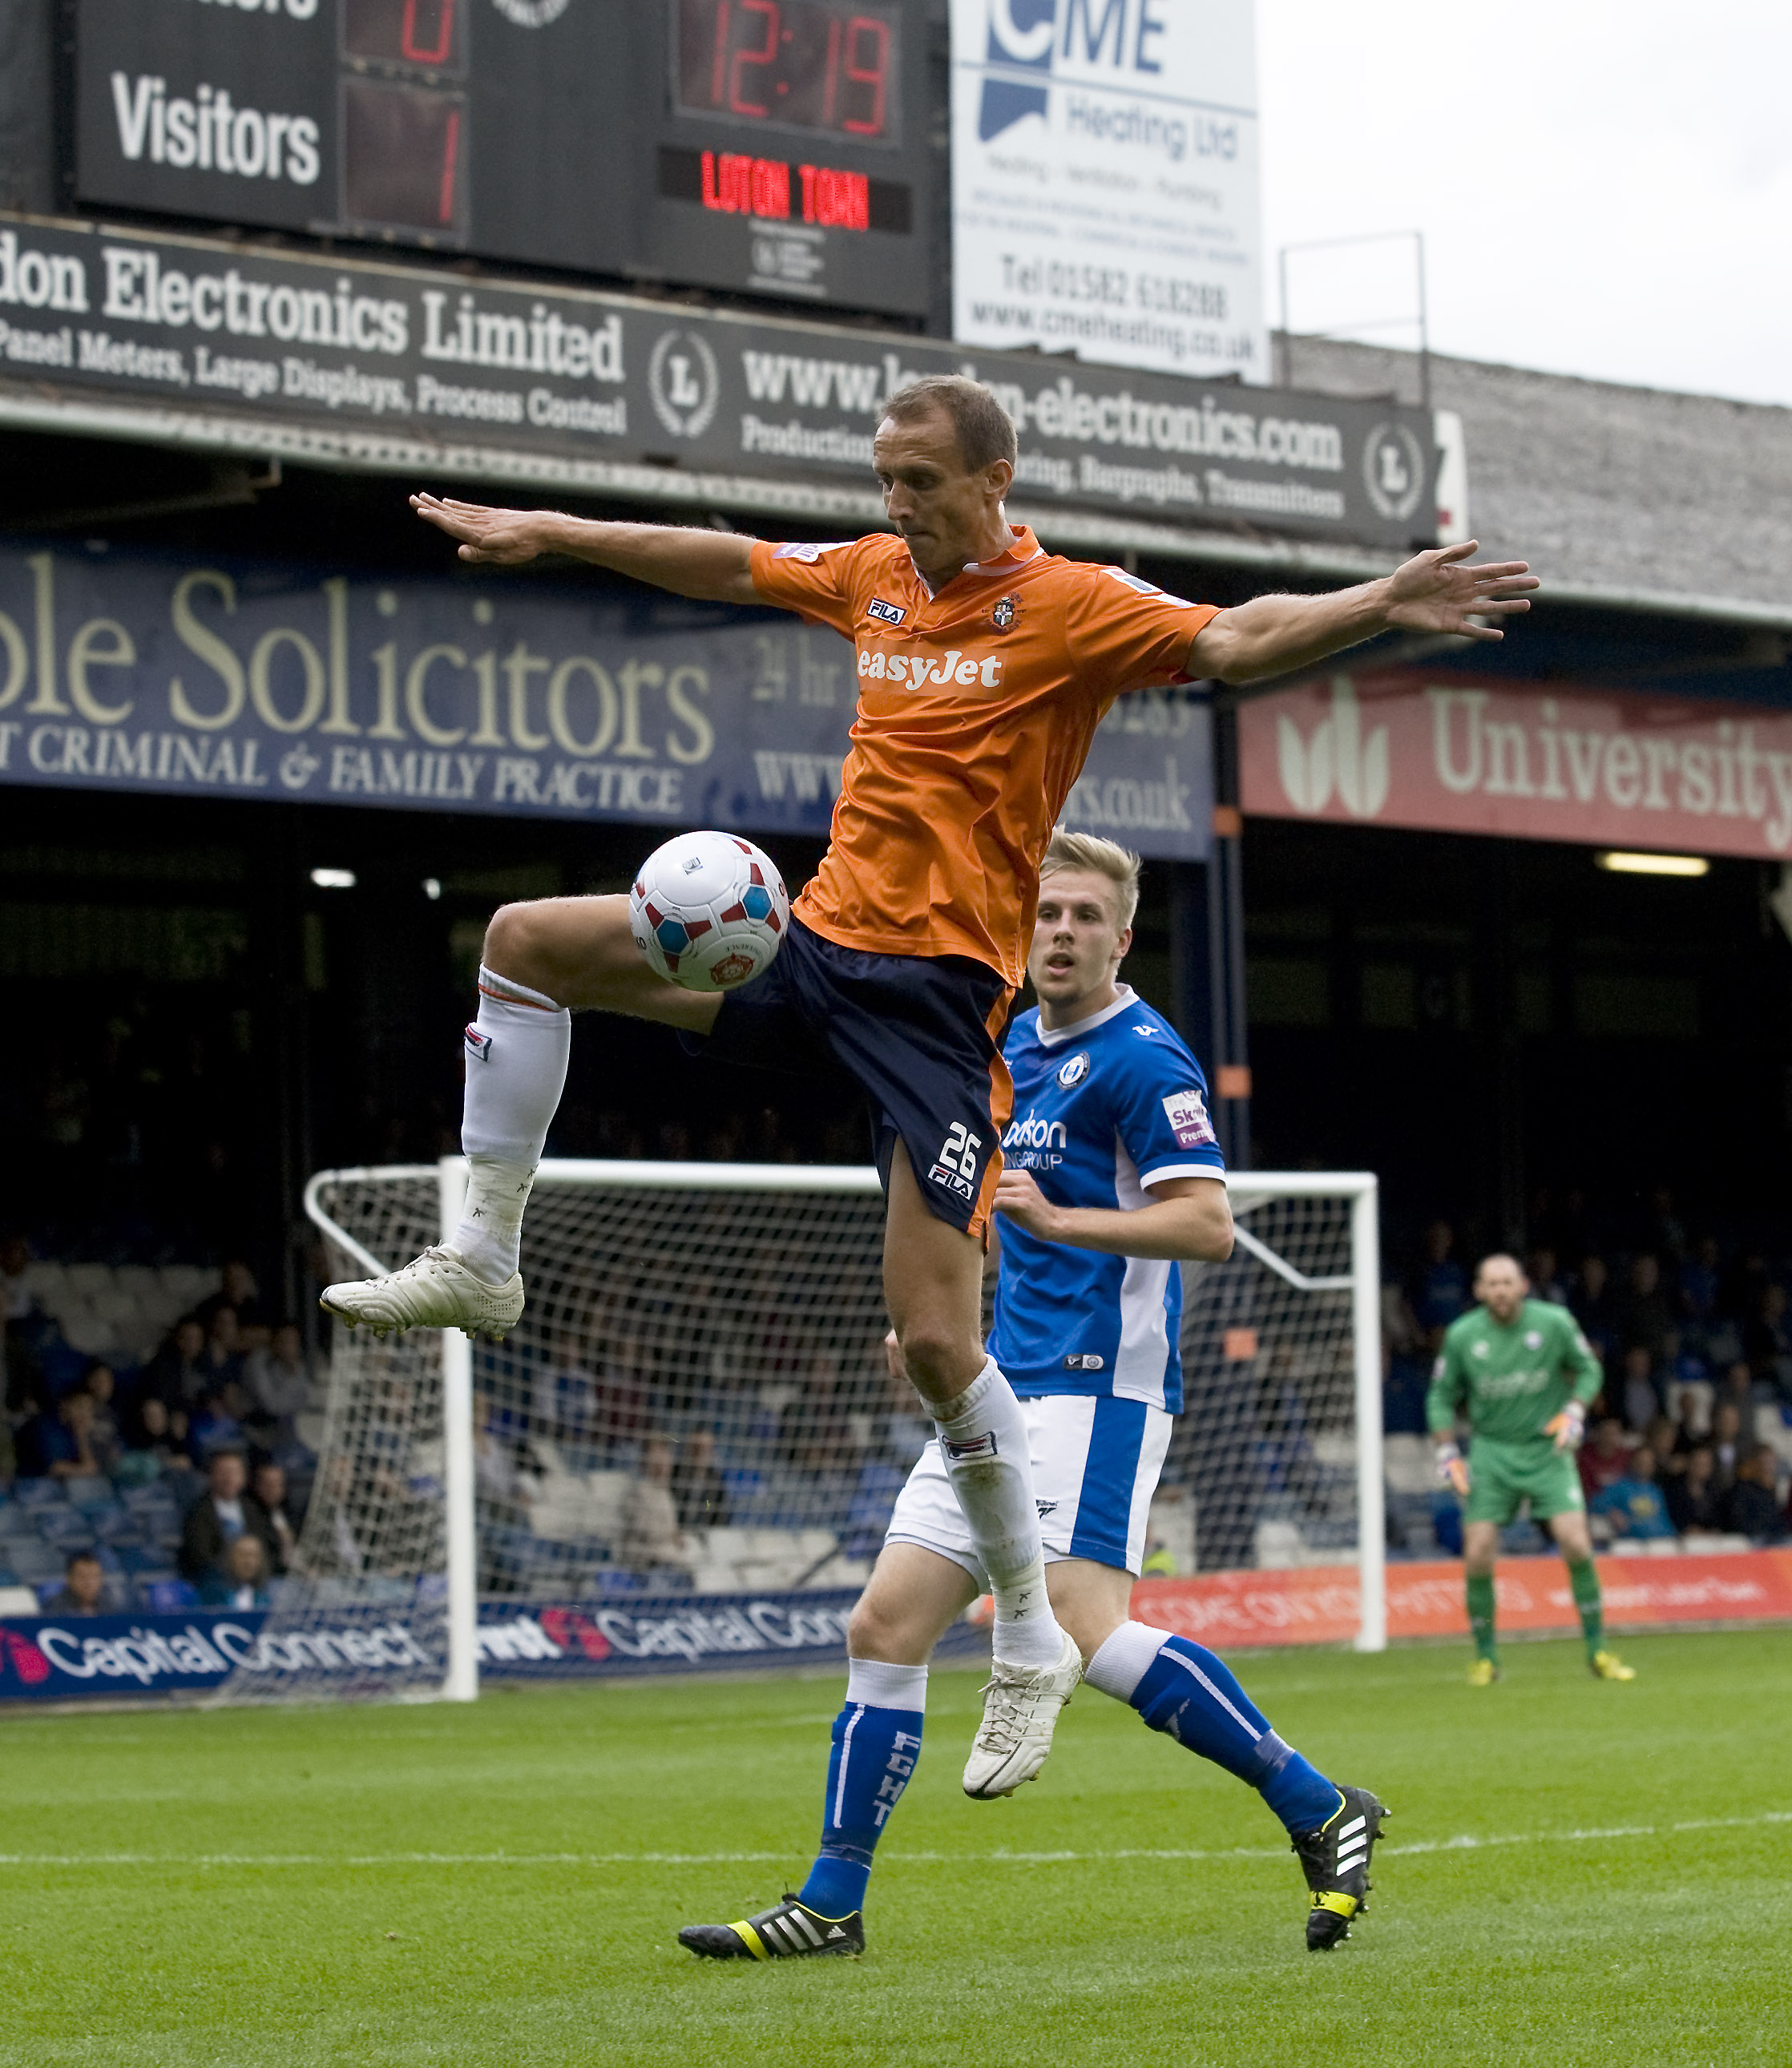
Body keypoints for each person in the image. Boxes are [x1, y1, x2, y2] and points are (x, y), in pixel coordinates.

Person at [319, 372, 1536, 1792]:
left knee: (939, 1351)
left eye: (921, 482)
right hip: (814, 951)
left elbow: (1234, 638)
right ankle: (482, 1255)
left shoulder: (1074, 607)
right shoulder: (876, 578)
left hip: (940, 1015)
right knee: (525, 943)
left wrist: (1378, 601)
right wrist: (554, 530)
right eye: (885, 479)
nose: (895, 505)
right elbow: (722, 561)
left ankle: (1029, 1632)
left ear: (994, 478)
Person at [678, 834, 1386, 1965]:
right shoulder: (1006, 1043)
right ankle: (832, 1902)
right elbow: (970, 1204)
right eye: (1046, 912)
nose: (1059, 932)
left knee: (1089, 1632)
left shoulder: (1146, 1059)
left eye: (1084, 917)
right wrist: (926, 1319)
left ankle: (1319, 1806)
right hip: (997, 1385)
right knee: (885, 1625)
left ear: (1121, 937)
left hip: (1104, 1394)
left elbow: (1208, 1224)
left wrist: (1062, 1221)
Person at [1428, 1253, 1634, 1683]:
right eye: (1491, 1283)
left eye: (1507, 1282)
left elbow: (1589, 1368)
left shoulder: (1555, 1322)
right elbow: (1440, 1396)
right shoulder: (1464, 1336)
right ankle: (1486, 1658)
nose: (1500, 1290)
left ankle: (1598, 1651)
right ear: (1479, 1291)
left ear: (1523, 1285)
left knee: (1576, 1542)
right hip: (1491, 1453)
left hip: (1547, 1450)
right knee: (1479, 1551)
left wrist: (1576, 1411)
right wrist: (1448, 1452)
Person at [178, 1448, 277, 1585]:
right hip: (216, 1583)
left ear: (243, 1477)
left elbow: (265, 1546)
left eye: (234, 1472)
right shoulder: (198, 1512)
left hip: (256, 1581)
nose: (229, 1478)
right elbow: (200, 1557)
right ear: (210, 1476)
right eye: (223, 1472)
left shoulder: (253, 1509)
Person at [616, 1437, 692, 1581]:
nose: (664, 1463)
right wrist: (672, 1536)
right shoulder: (638, 1492)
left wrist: (676, 1536)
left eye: (665, 1456)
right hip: (644, 1561)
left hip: (667, 1556)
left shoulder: (665, 1493)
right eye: (658, 1458)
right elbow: (647, 1532)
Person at [1590, 1448, 1675, 1543]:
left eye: (1648, 1463)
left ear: (1653, 1467)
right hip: (1634, 1544)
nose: (1644, 1466)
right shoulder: (1619, 1487)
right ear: (1632, 1463)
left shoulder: (1655, 1490)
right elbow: (1595, 1502)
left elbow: (1664, 1520)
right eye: (1640, 1462)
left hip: (1663, 1541)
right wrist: (1611, 1512)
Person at [1723, 1448, 1790, 1543]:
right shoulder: (1743, 1490)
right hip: (1752, 1539)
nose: (1768, 1468)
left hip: (1776, 1538)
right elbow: (1738, 1521)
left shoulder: (1774, 1491)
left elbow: (1780, 1521)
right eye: (1764, 1463)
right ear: (1755, 1464)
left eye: (1772, 1463)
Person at [248, 1459, 300, 1575]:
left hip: (297, 1573)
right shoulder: (252, 1515)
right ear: (257, 1486)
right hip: (273, 1575)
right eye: (267, 1484)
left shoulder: (288, 1512)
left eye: (277, 1484)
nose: (272, 1489)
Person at [200, 1531, 272, 1609]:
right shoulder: (213, 1594)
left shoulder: (265, 1598)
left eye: (255, 1556)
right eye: (243, 1555)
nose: (249, 1562)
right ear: (230, 1558)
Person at [44, 1548, 111, 1616]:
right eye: (82, 1577)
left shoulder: (109, 1607)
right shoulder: (55, 1609)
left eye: (94, 1576)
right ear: (69, 1578)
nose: (89, 1583)